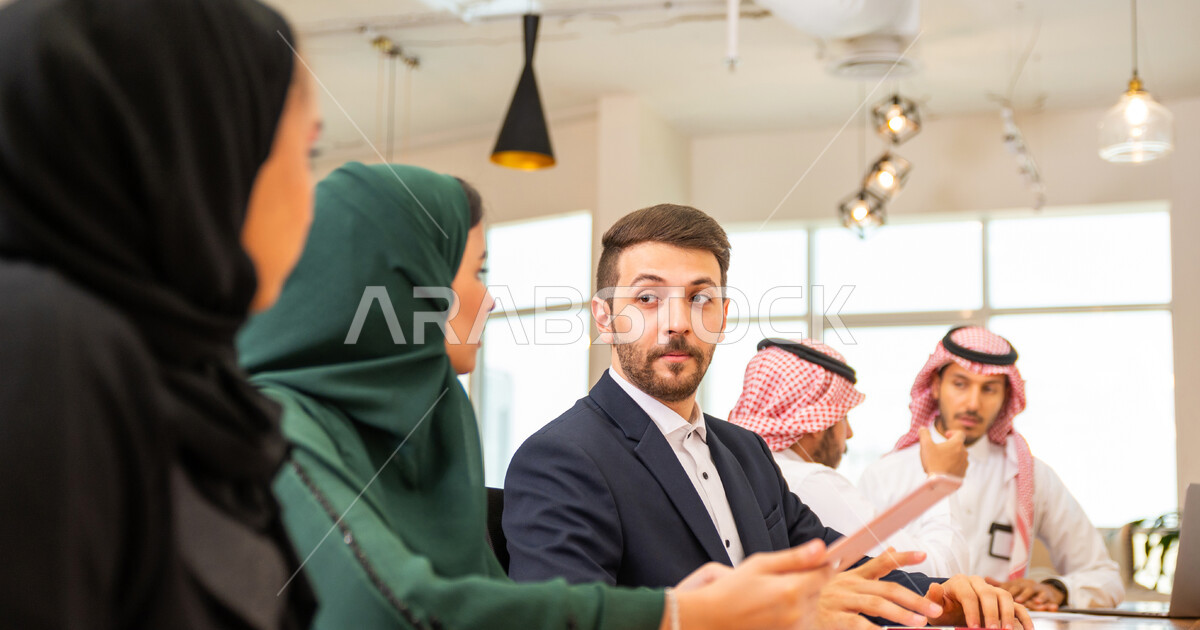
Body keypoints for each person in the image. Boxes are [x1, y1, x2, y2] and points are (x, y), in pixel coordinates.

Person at [238, 161, 856, 630]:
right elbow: (397, 604)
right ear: (405, 285)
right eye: (475, 272)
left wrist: (931, 594)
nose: (490, 299)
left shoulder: (434, 424)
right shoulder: (286, 431)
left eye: (701, 298)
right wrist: (685, 614)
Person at [503, 204, 1034, 630]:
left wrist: (943, 601)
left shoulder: (744, 452)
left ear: (723, 316)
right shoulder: (560, 458)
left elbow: (836, 568)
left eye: (701, 299)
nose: (679, 322)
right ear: (604, 317)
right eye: (647, 297)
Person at [0, 0, 321, 627]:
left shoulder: (201, 389)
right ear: (205, 147)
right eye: (307, 154)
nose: (312, 201)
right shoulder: (42, 344)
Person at [859, 326, 1124, 610]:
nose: (973, 403)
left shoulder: (1031, 476)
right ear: (935, 386)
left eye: (988, 389)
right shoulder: (884, 475)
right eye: (960, 384)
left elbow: (1105, 578)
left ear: (1006, 395)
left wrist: (1055, 589)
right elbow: (856, 579)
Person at [728, 337, 970, 577]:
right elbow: (940, 573)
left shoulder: (734, 468)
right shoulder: (809, 480)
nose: (850, 433)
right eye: (843, 418)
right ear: (815, 420)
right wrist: (942, 480)